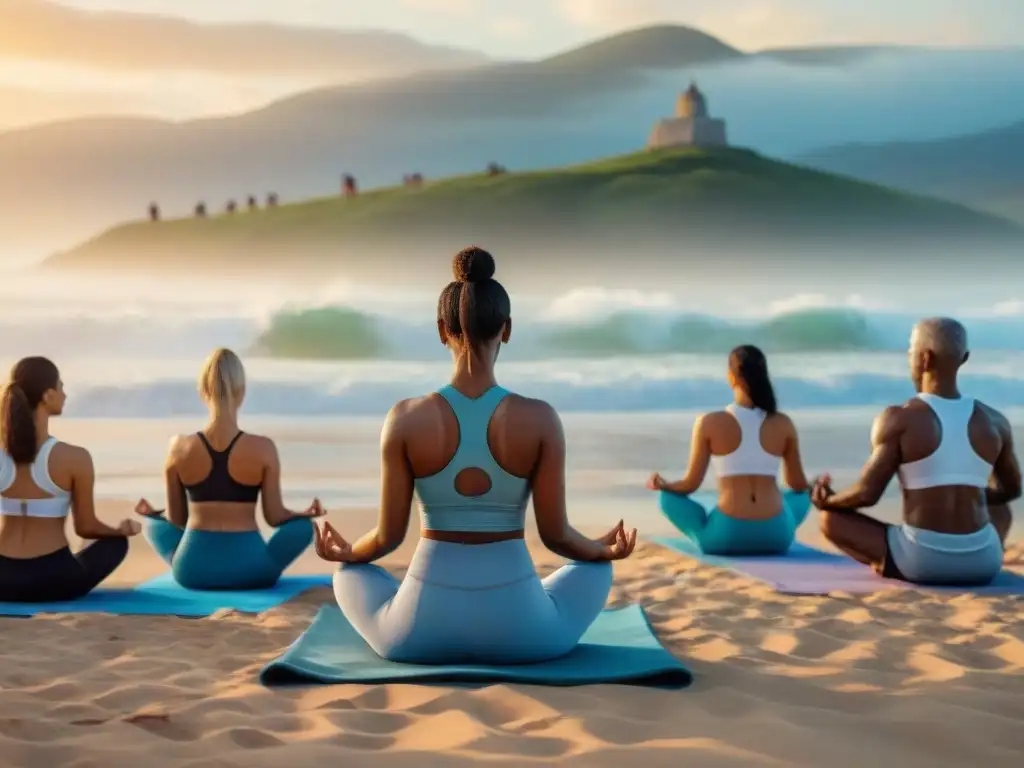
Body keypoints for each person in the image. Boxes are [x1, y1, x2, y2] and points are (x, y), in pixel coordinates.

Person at [314, 247, 637, 664]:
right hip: (524, 635)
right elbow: (557, 536)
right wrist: (600, 551)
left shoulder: (404, 419)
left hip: (417, 635)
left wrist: (349, 554)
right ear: (506, 329)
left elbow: (387, 538)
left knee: (350, 575)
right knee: (596, 569)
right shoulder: (539, 419)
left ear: (440, 329)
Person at [812, 318, 1019, 586]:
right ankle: (976, 550)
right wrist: (969, 491)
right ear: (964, 358)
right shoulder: (995, 421)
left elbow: (867, 494)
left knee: (830, 520)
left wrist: (829, 501)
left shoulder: (899, 418)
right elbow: (1011, 490)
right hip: (984, 563)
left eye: (910, 352)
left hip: (924, 562)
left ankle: (886, 564)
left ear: (924, 358)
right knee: (1000, 509)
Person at [134, 348, 323, 590]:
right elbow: (274, 517)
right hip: (251, 571)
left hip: (193, 571)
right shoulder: (263, 448)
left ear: (203, 391)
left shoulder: (178, 447)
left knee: (153, 525)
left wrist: (154, 514)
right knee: (303, 528)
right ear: (241, 391)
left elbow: (177, 520)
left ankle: (168, 540)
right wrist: (302, 514)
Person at [647, 345, 811, 555]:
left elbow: (690, 485)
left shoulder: (709, 422)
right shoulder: (783, 423)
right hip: (776, 536)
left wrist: (664, 485)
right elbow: (797, 485)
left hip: (727, 536)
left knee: (666, 498)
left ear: (731, 377)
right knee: (803, 496)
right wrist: (815, 486)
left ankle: (708, 531)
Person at [0, 357, 136, 602]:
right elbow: (86, 527)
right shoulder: (75, 457)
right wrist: (118, 531)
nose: (65, 394)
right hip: (54, 579)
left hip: (2, 579)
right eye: (61, 387)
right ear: (47, 395)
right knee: (117, 544)